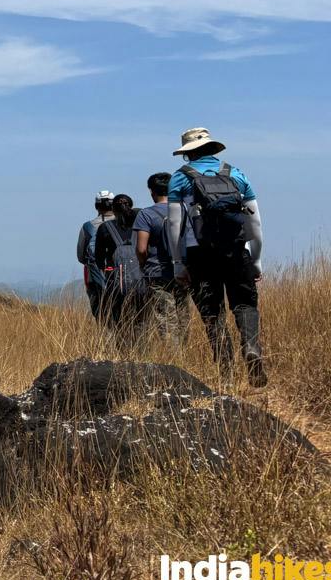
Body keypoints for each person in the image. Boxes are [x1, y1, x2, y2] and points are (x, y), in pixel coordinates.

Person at [165, 127, 267, 386]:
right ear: (212, 148)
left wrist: (178, 263)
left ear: (187, 153)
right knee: (245, 304)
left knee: (212, 313)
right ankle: (251, 346)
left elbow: (174, 225)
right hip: (236, 250)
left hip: (199, 253)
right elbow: (255, 222)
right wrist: (256, 259)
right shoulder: (236, 173)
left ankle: (227, 374)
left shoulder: (180, 178)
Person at [133, 172, 191, 347]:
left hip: (157, 271)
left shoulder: (146, 215)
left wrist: (143, 264)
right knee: (183, 315)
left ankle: (174, 356)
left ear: (152, 192)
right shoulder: (184, 210)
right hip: (183, 270)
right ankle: (185, 352)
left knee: (165, 319)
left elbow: (141, 248)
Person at [94, 193, 148, 343]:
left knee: (118, 319)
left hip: (116, 284)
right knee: (142, 320)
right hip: (142, 282)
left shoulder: (105, 228)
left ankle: (123, 349)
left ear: (113, 209)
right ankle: (142, 348)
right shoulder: (141, 227)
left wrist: (108, 271)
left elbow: (99, 259)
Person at [76, 191, 116, 318]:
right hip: (121, 275)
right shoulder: (123, 225)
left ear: (96, 206)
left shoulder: (88, 227)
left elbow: (81, 256)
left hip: (94, 278)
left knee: (100, 312)